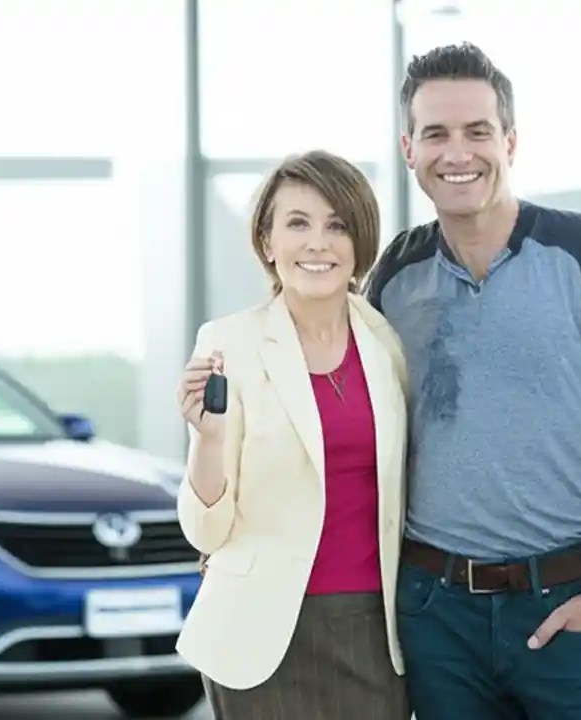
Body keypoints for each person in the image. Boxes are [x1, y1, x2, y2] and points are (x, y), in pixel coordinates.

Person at [364, 43, 581, 719]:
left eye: (477, 131)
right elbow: (344, 428)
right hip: (436, 619)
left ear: (510, 141)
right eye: (436, 134)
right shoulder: (394, 277)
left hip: (572, 606)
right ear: (409, 149)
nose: (457, 153)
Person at [174, 150, 412, 719]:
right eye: (298, 223)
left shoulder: (388, 343)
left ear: (360, 243)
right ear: (267, 241)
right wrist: (208, 440)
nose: (318, 243)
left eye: (337, 225)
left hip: (375, 630)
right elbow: (206, 527)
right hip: (259, 633)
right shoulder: (228, 341)